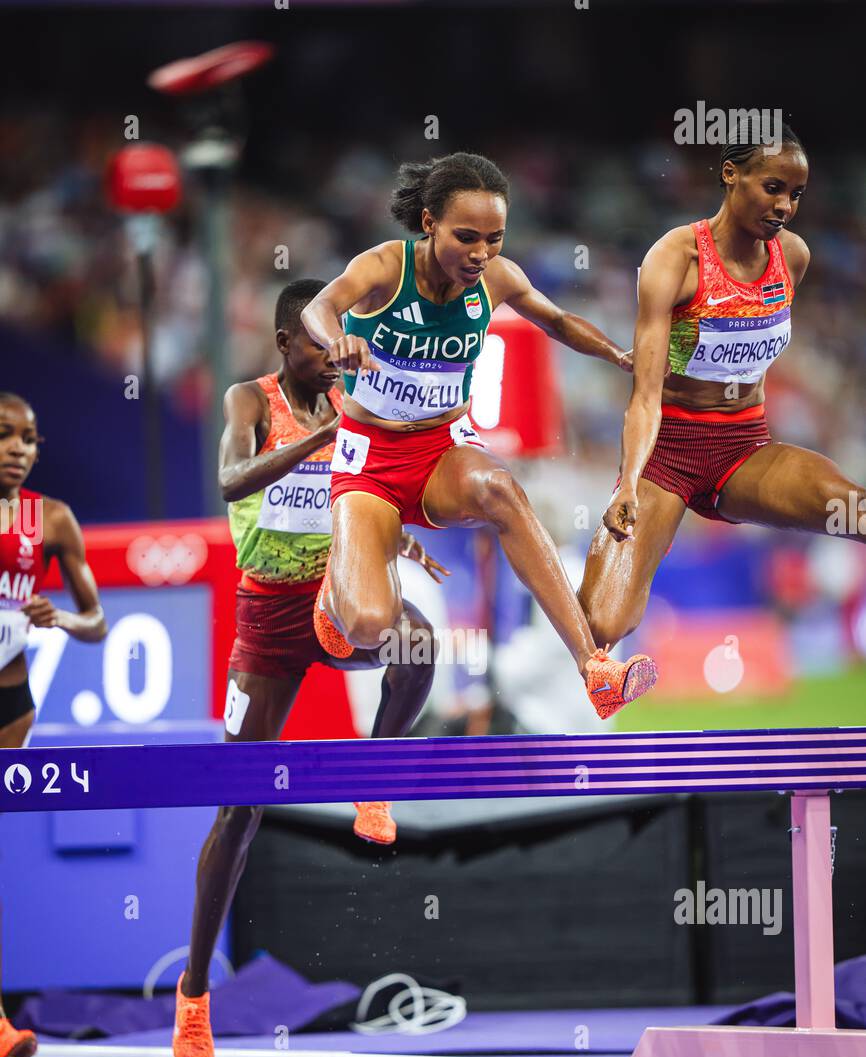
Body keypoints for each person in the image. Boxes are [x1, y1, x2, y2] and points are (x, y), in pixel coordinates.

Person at [173, 281, 442, 1057]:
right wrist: (319, 440)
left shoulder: (352, 403)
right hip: (264, 624)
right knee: (239, 809)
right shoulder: (249, 400)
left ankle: (375, 775)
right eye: (323, 343)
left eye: (343, 343)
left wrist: (399, 547)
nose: (337, 357)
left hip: (332, 600)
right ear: (289, 341)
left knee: (418, 647)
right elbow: (231, 480)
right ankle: (193, 996)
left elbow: (366, 500)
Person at [300, 152, 658, 721]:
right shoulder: (384, 269)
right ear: (427, 224)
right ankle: (339, 594)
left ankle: (595, 669)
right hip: (371, 463)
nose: (481, 253)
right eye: (466, 237)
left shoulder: (496, 278)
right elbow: (320, 307)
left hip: (441, 451)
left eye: (494, 238)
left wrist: (619, 354)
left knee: (500, 488)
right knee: (367, 625)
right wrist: (334, 339)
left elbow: (560, 322)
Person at [577, 125, 863, 650]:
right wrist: (630, 481)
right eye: (773, 187)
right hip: (666, 454)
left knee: (857, 511)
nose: (785, 206)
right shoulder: (676, 259)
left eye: (796, 194)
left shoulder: (792, 258)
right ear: (731, 175)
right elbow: (644, 395)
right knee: (602, 623)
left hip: (743, 449)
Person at [0, 391, 107, 1057]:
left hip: (12, 705)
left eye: (29, 439)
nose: (18, 448)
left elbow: (96, 621)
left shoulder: (55, 520)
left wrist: (58, 620)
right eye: (5, 435)